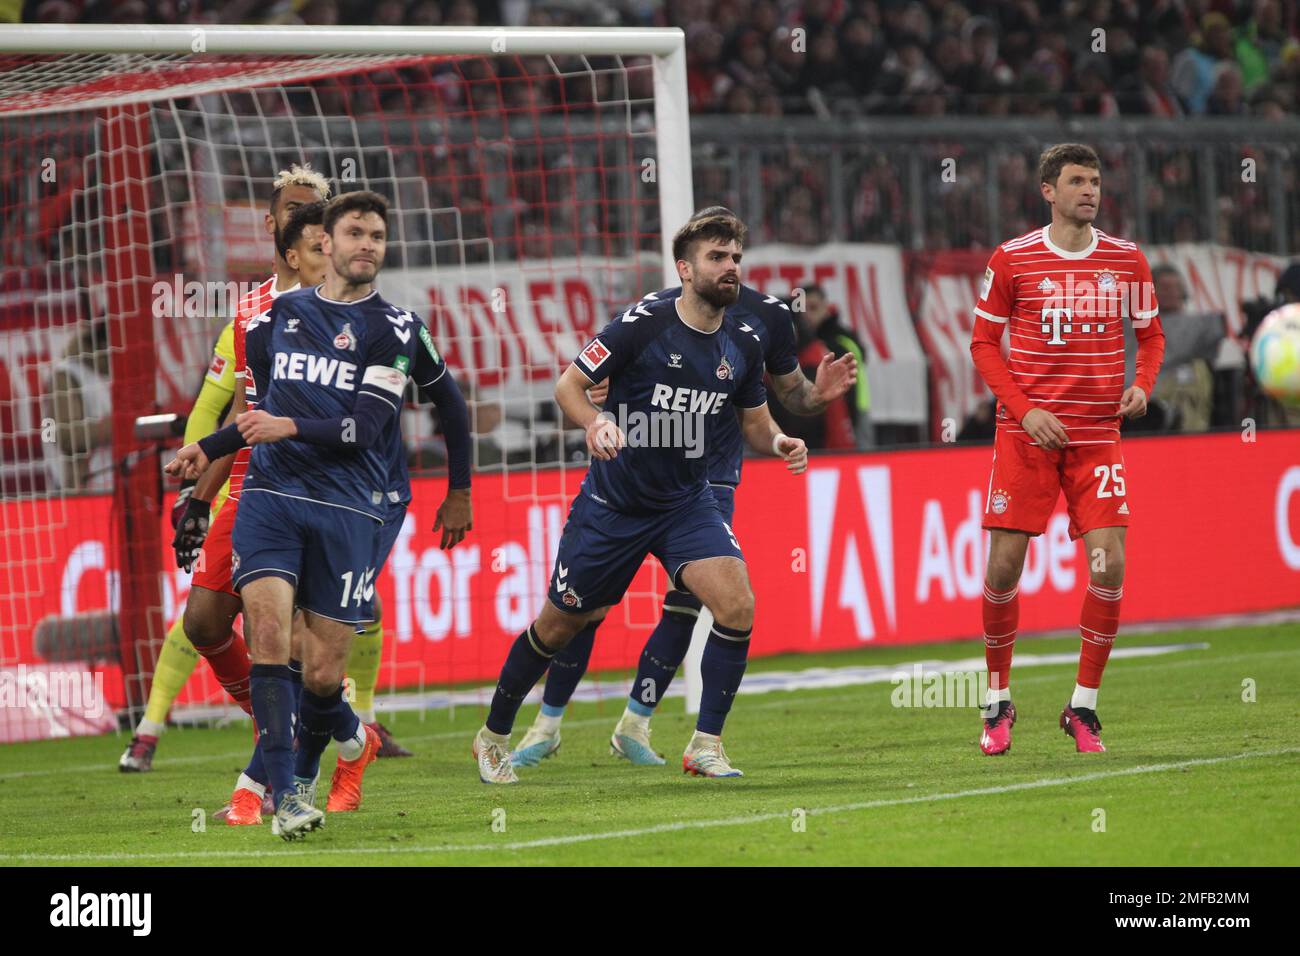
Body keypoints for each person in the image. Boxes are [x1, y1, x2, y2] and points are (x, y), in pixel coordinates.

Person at [167, 190, 469, 838]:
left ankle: (352, 741)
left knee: (323, 670)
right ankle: (279, 791)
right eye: (355, 233)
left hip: (356, 504)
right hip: (272, 498)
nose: (368, 246)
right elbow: (253, 418)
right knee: (272, 638)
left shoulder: (395, 329)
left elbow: (366, 428)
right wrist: (205, 454)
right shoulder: (270, 322)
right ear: (324, 245)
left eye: (378, 237)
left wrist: (461, 487)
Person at [510, 210, 857, 770]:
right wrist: (604, 411)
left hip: (711, 477)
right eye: (717, 255)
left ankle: (639, 724)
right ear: (690, 263)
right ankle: (547, 722)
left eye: (734, 255)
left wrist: (818, 399)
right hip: (641, 472)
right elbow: (598, 377)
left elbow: (787, 399)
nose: (728, 265)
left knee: (692, 605)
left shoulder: (767, 317)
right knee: (586, 609)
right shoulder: (659, 313)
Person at [118, 163, 330, 775]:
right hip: (249, 485)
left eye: (313, 209)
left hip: (319, 489)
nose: (301, 219)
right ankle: (291, 730)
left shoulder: (345, 301)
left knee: (294, 639)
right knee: (205, 622)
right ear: (271, 222)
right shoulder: (250, 311)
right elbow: (237, 411)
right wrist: (197, 497)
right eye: (292, 208)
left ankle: (285, 763)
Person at [969, 143, 1165, 756]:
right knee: (1004, 567)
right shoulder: (1014, 260)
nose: (1090, 190)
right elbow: (982, 344)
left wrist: (1141, 385)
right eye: (1077, 180)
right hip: (1026, 439)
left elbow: (1151, 336)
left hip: (1097, 440)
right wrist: (1025, 410)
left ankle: (1083, 708)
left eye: (1096, 180)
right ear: (1048, 191)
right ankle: (997, 701)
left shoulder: (1127, 261)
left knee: (1110, 566)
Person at [1125, 264, 1226, 432]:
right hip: (1130, 394)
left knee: (1198, 369)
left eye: (1175, 288)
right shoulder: (1130, 323)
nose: (1170, 293)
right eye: (1164, 288)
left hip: (1171, 398)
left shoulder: (1198, 324)